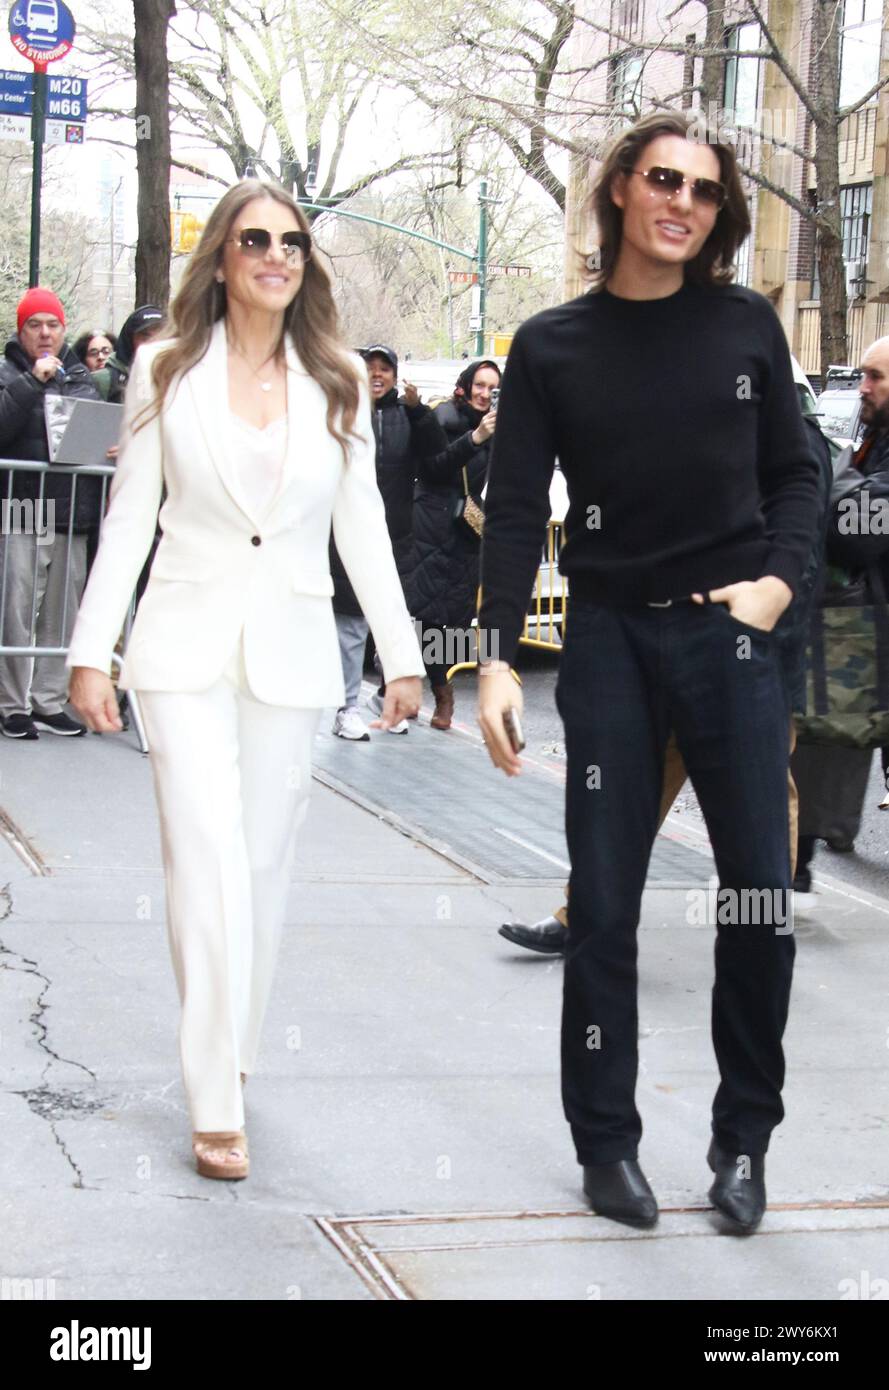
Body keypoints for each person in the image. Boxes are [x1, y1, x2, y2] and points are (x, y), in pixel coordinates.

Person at [477, 111, 820, 1234]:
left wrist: (775, 586)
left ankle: (742, 1141)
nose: (682, 202)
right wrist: (488, 659)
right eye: (663, 179)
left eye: (705, 191)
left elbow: (797, 478)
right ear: (621, 188)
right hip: (610, 640)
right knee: (605, 906)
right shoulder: (550, 346)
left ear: (717, 215)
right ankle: (604, 1144)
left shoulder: (745, 328)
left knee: (760, 899)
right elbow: (517, 511)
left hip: (731, 638)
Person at [66, 178, 424, 1182]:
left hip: (293, 653)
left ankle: (236, 1046)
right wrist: (92, 648)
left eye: (292, 242)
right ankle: (213, 1094)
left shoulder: (340, 379)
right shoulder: (164, 371)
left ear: (305, 264)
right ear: (221, 257)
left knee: (263, 866)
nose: (274, 255)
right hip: (179, 648)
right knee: (206, 859)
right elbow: (131, 516)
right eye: (254, 239)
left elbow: (363, 528)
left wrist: (402, 655)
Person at [793, 334, 889, 889]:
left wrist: (832, 500)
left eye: (875, 377)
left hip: (869, 625)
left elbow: (855, 535)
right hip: (863, 625)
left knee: (830, 737)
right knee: (830, 738)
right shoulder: (870, 438)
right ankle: (798, 863)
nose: (862, 388)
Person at [0, 288, 104, 739]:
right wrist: (33, 382)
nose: (45, 334)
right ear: (21, 331)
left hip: (70, 508)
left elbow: (96, 433)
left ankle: (48, 698)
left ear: (64, 330)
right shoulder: (8, 374)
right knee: (17, 608)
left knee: (63, 612)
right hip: (24, 504)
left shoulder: (82, 377)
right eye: (34, 325)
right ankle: (11, 703)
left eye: (53, 325)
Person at [331, 343, 446, 740]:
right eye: (370, 368)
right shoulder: (339, 410)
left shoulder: (408, 416)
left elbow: (438, 460)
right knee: (351, 626)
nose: (376, 375)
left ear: (396, 377)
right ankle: (346, 707)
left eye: (385, 369)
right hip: (345, 537)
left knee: (395, 621)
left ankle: (388, 702)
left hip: (396, 537)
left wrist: (419, 412)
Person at [407, 359, 500, 729]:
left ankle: (440, 689)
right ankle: (424, 690)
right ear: (465, 385)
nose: (484, 394)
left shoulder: (498, 427)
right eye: (479, 385)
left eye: (492, 388)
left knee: (454, 619)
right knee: (420, 611)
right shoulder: (442, 417)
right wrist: (475, 438)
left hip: (466, 529)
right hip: (430, 524)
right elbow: (432, 467)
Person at [92, 305, 164, 405]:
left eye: (161, 336)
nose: (154, 343)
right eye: (145, 337)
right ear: (129, 341)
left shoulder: (180, 380)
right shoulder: (103, 381)